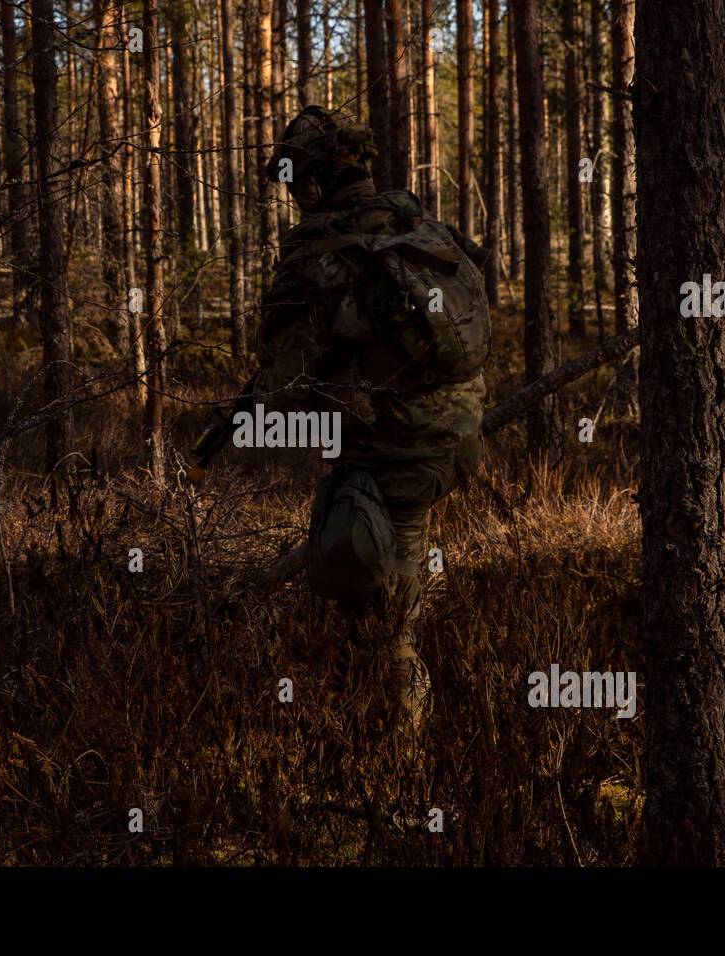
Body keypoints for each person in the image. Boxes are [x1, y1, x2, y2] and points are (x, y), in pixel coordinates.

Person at [251, 106, 490, 737]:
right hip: (454, 436)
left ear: (313, 178)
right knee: (390, 574)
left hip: (385, 452)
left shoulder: (316, 251)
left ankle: (397, 764)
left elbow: (287, 383)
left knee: (381, 616)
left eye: (294, 176)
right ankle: (383, 726)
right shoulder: (412, 217)